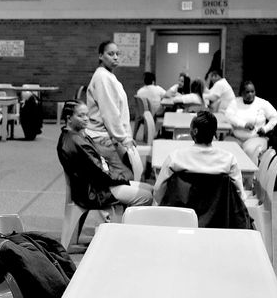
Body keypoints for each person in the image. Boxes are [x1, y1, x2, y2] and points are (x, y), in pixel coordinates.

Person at [58, 103, 153, 210]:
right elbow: (100, 173)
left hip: (98, 185)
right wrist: (122, 178)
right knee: (148, 197)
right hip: (95, 191)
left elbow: (98, 167)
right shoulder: (76, 141)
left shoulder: (75, 136)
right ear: (69, 118)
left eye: (87, 115)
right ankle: (129, 223)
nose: (86, 119)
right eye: (81, 116)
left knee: (150, 189)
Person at [153, 111, 246, 204]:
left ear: (194, 131)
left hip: (181, 214)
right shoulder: (229, 160)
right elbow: (239, 194)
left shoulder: (175, 158)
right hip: (217, 216)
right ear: (215, 133)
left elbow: (158, 190)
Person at [84, 40, 141, 178]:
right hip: (103, 137)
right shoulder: (102, 77)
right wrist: (123, 138)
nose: (115, 57)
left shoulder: (109, 76)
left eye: (117, 54)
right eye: (110, 54)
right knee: (127, 176)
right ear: (100, 56)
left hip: (112, 136)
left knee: (130, 173)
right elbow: (109, 112)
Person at [225, 80, 277, 162]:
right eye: (247, 92)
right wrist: (244, 124)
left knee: (249, 150)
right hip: (236, 138)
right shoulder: (235, 102)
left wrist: (265, 128)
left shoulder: (262, 103)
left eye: (252, 91)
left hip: (256, 138)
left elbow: (276, 118)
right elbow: (228, 116)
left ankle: (250, 173)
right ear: (241, 93)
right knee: (227, 149)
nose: (250, 94)